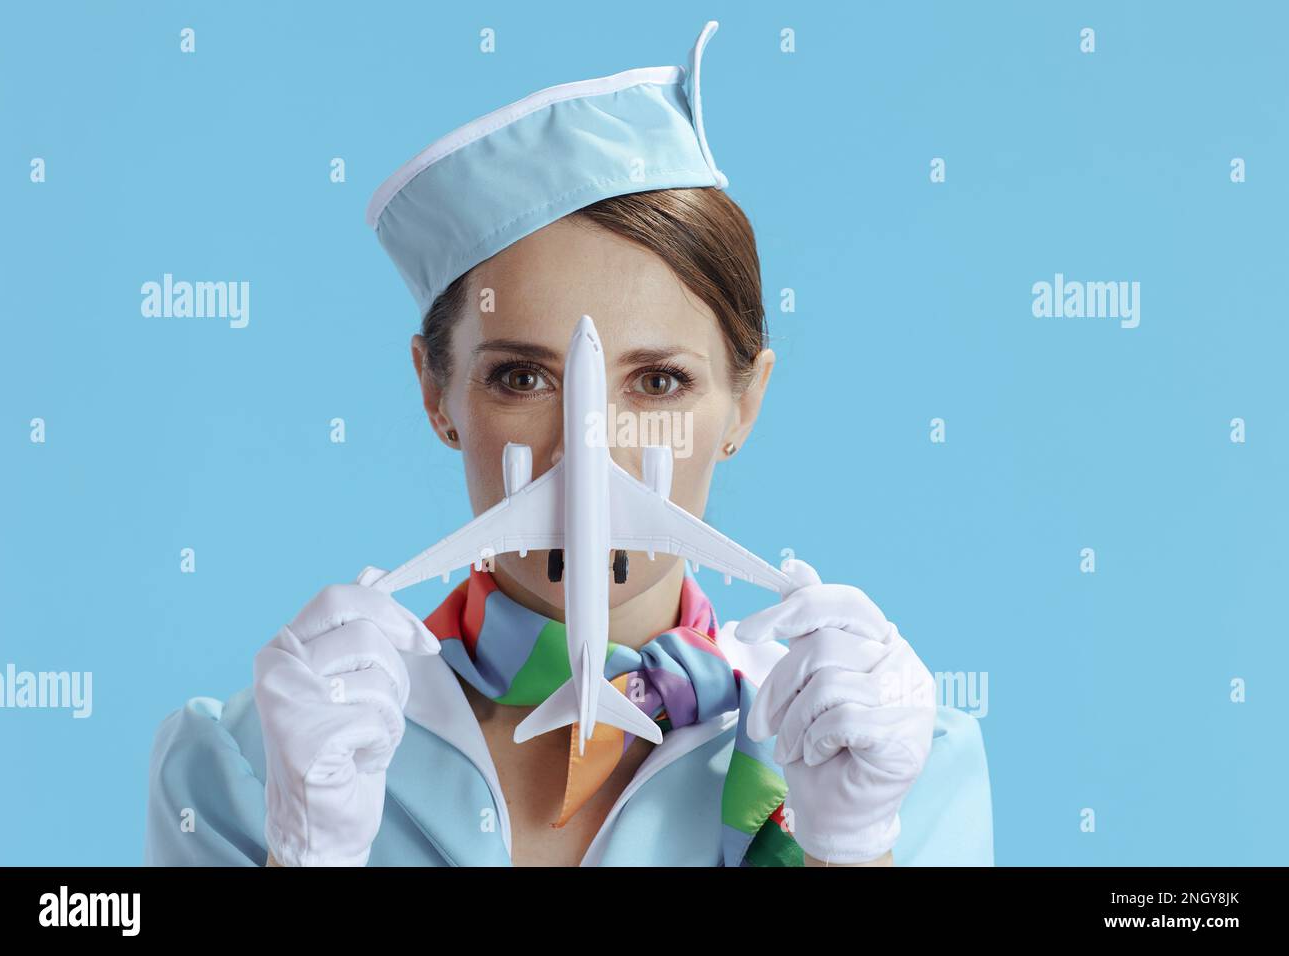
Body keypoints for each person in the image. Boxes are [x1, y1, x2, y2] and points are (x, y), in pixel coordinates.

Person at [144, 20, 994, 867]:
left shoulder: (894, 758)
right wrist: (309, 853)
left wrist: (853, 849)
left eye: (659, 381)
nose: (590, 450)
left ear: (745, 403)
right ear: (437, 393)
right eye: (519, 377)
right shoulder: (248, 764)